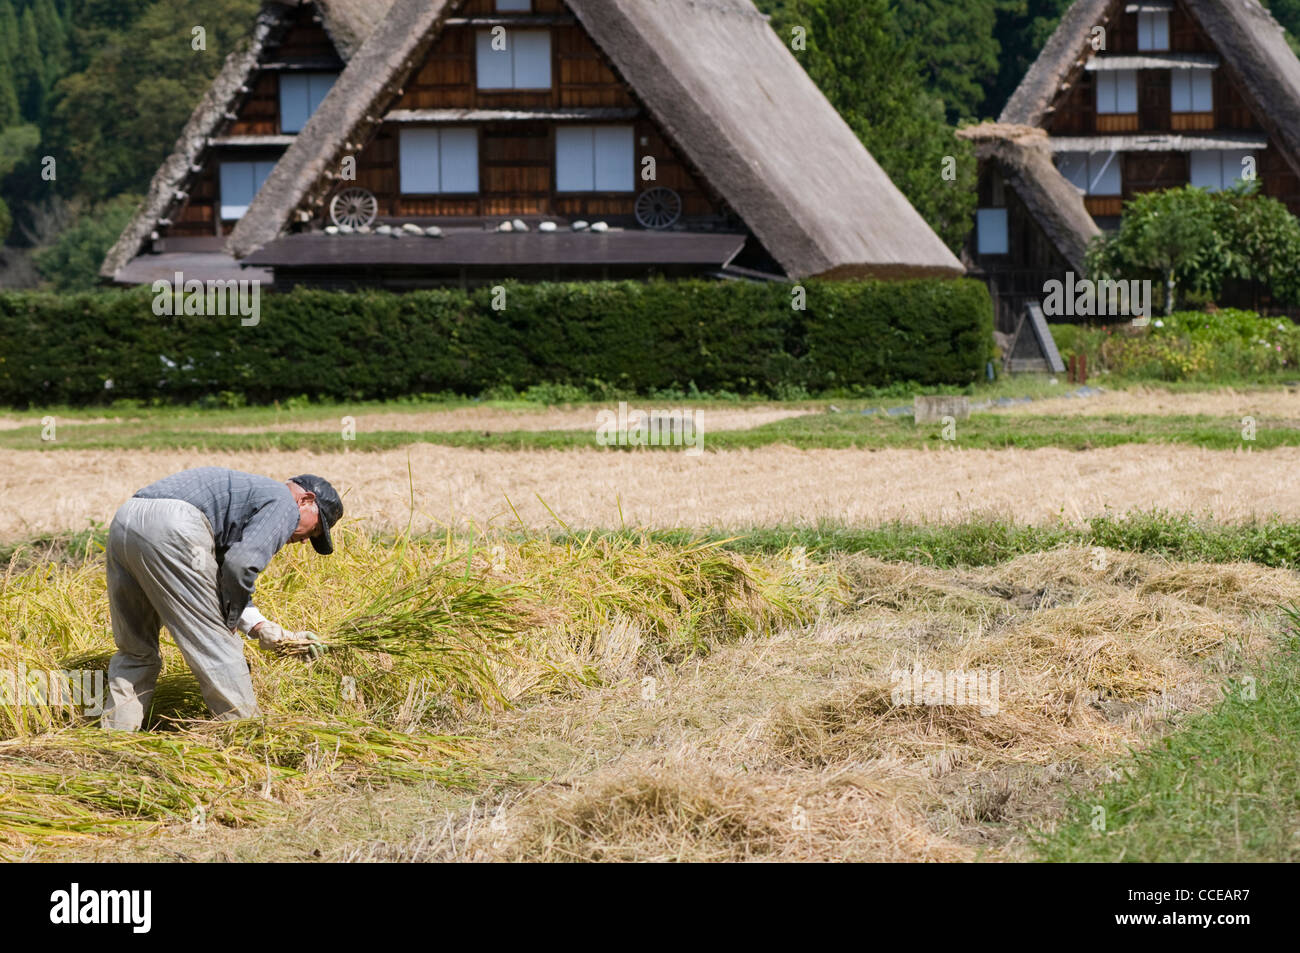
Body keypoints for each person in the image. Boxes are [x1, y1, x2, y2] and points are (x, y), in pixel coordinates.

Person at [100, 467, 343, 731]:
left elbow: (221, 576)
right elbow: (241, 564)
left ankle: (115, 739)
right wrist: (227, 622)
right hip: (175, 526)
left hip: (127, 519)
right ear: (306, 500)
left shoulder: (244, 501)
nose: (307, 540)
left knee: (136, 650)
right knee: (219, 647)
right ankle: (246, 739)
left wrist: (261, 627)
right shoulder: (285, 504)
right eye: (316, 529)